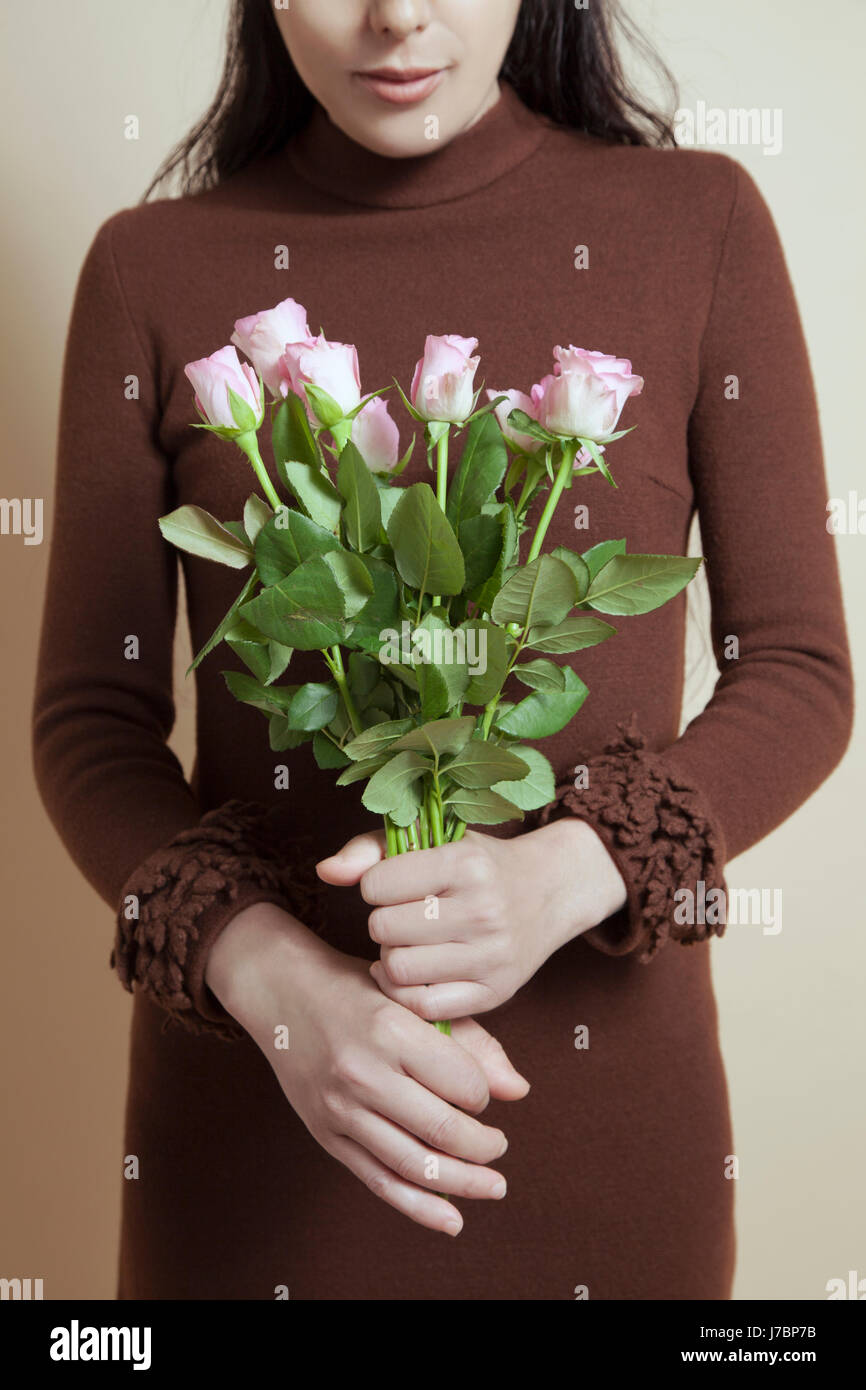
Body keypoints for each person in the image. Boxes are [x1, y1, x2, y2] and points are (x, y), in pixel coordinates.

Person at [33, 0, 852, 1300]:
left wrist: (570, 873)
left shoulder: (698, 226)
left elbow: (800, 669)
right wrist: (269, 971)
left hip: (610, 1160)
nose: (398, 14)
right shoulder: (151, 268)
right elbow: (89, 720)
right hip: (252, 1146)